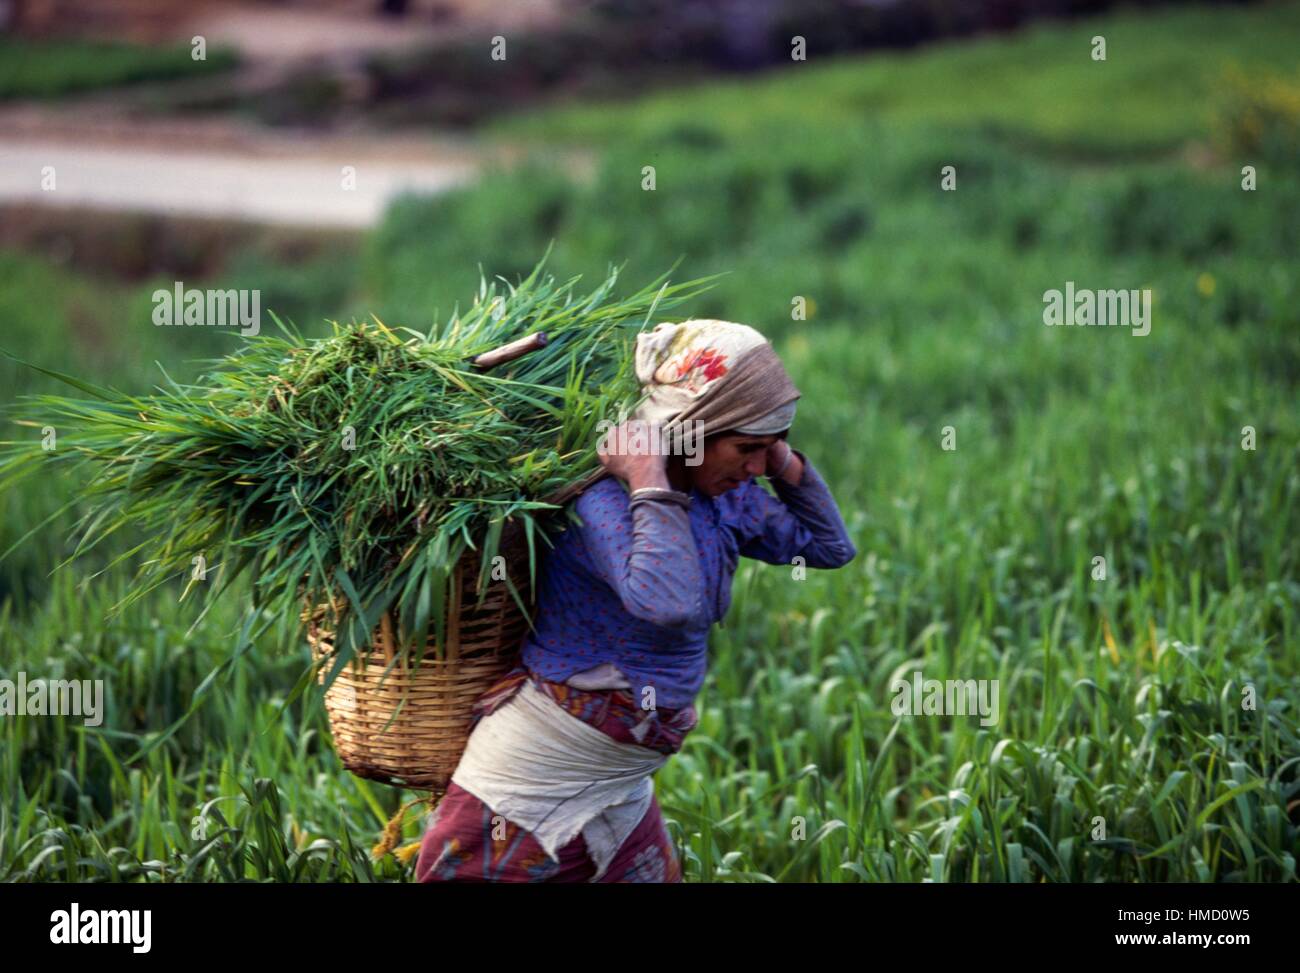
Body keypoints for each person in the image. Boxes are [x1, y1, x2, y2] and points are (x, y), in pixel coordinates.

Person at [414, 318, 857, 883]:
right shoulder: (607, 499)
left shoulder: (727, 498)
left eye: (766, 452)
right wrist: (649, 475)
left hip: (617, 781)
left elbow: (829, 548)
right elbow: (668, 604)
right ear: (690, 431)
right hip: (537, 772)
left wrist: (781, 460)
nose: (754, 468)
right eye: (745, 449)